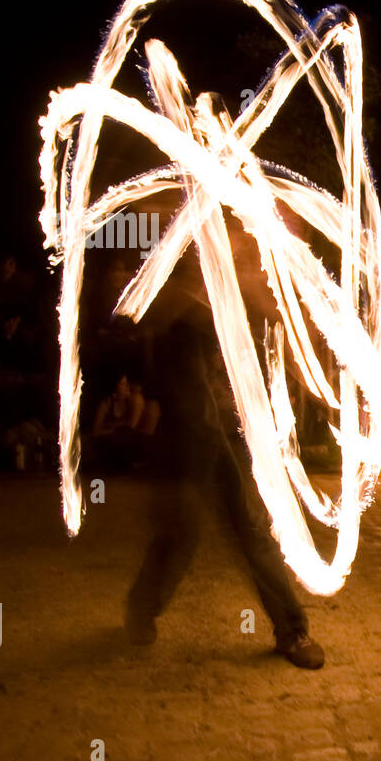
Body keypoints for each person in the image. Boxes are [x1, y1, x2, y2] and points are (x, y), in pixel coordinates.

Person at [124, 263, 325, 669]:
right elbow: (147, 319)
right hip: (188, 433)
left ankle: (291, 629)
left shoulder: (235, 276)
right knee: (180, 533)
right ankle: (141, 609)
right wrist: (198, 292)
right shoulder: (179, 285)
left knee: (251, 528)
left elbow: (268, 315)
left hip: (228, 429)